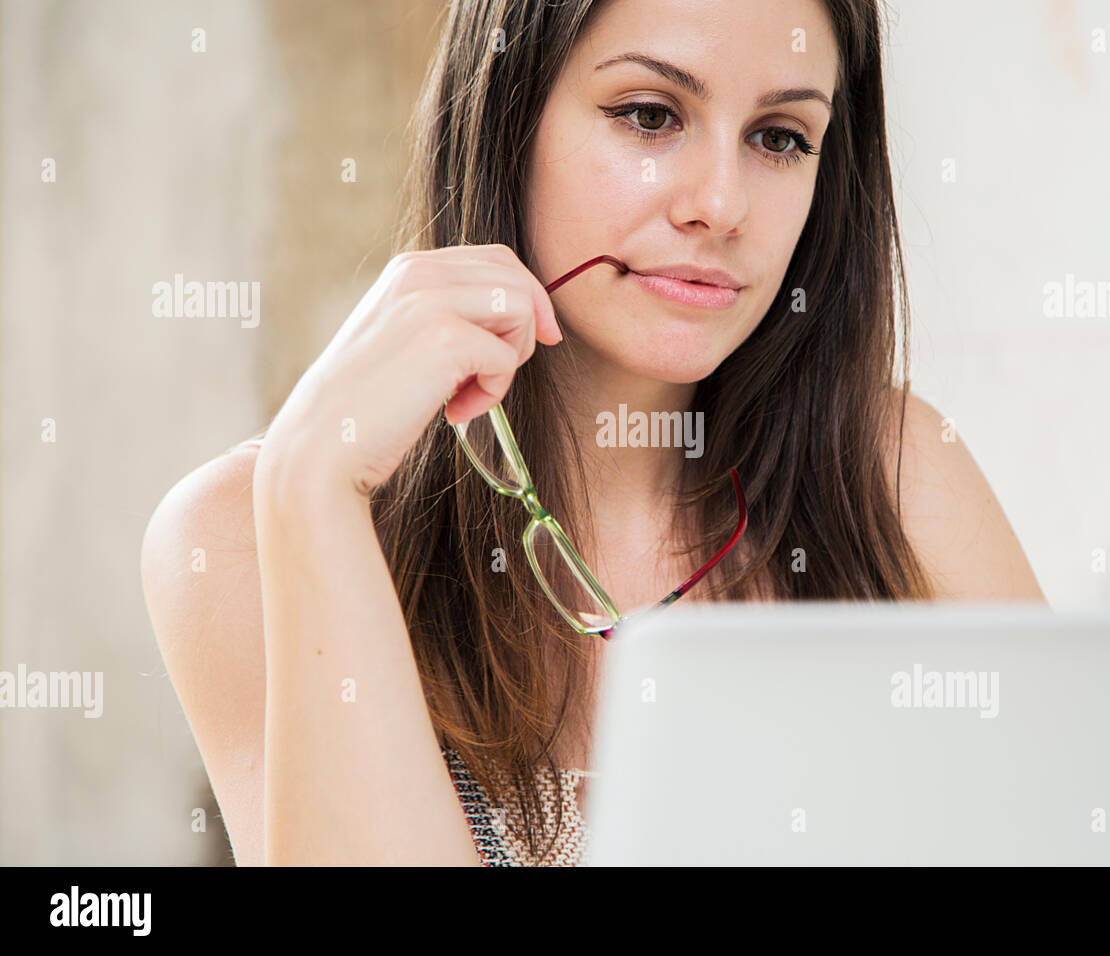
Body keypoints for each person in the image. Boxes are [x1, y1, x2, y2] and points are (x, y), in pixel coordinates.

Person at [140, 0, 1043, 867]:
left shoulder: (895, 474)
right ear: (508, 115)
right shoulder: (245, 534)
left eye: (779, 137)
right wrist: (313, 488)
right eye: (650, 116)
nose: (721, 205)